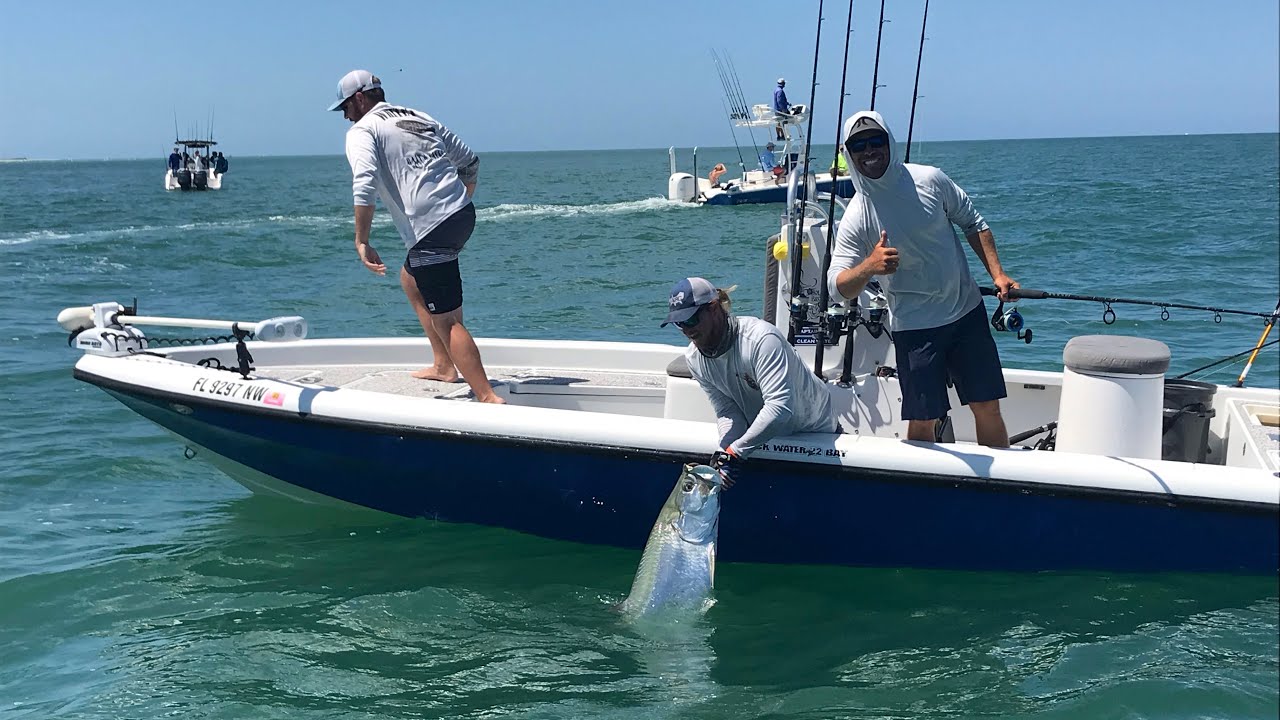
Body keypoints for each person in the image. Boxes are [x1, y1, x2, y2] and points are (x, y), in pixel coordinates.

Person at [826, 110, 1018, 447]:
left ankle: (1000, 489)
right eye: (859, 145)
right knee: (923, 418)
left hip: (966, 312)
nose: (869, 150)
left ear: (890, 142)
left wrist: (998, 274)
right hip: (914, 327)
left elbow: (973, 222)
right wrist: (869, 265)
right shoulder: (857, 215)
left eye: (876, 140)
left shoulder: (930, 180)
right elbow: (836, 287)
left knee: (986, 406)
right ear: (849, 153)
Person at [331, 69, 503, 404]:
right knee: (411, 278)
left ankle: (486, 396)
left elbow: (364, 181)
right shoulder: (417, 116)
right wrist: (457, 201)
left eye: (344, 108)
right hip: (463, 215)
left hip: (431, 229)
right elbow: (469, 161)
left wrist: (361, 240)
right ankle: (443, 365)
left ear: (360, 99)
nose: (345, 116)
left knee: (448, 318)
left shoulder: (363, 130)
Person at [662, 277, 838, 485]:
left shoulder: (761, 340)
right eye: (679, 323)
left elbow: (780, 408)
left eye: (691, 319)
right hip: (767, 437)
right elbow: (728, 409)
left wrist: (736, 453)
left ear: (713, 308)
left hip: (815, 438)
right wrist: (724, 451)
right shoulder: (695, 359)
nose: (686, 330)